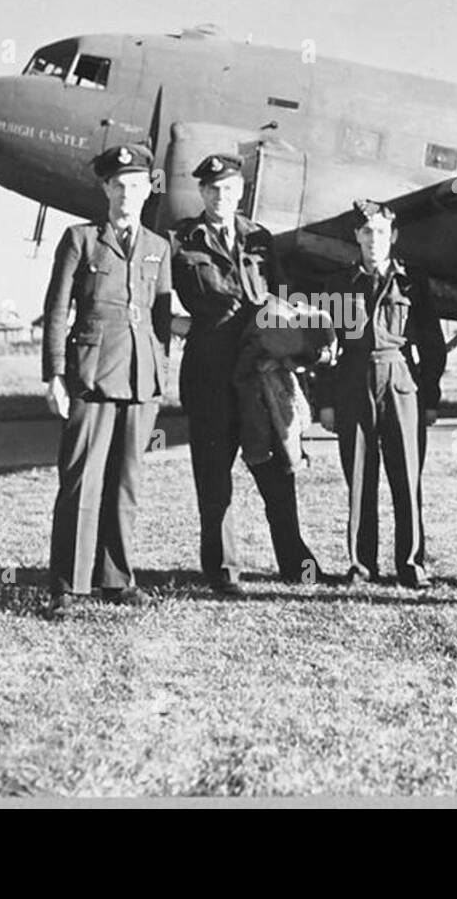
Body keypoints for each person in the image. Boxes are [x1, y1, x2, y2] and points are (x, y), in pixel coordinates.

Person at [171, 153, 322, 594]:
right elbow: (164, 306)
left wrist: (299, 344)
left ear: (241, 191)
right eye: (214, 189)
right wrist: (191, 329)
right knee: (214, 478)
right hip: (209, 375)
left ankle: (299, 567)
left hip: (258, 374)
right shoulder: (181, 240)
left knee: (277, 473)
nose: (222, 196)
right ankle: (223, 573)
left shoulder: (259, 239)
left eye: (231, 188)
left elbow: (280, 300)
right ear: (202, 193)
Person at [41, 143, 172, 616]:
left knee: (127, 484)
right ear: (105, 188)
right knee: (81, 481)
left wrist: (160, 372)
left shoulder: (159, 247)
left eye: (136, 186)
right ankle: (69, 586)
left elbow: (160, 317)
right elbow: (57, 309)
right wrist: (55, 374)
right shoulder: (81, 239)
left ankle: (117, 579)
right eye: (119, 185)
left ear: (146, 190)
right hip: (92, 376)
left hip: (141, 382)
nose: (127, 194)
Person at [317, 200, 446, 589]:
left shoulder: (412, 282)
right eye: (367, 232)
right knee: (359, 476)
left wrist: (430, 397)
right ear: (356, 236)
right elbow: (328, 346)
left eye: (381, 232)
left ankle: (411, 564)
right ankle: (361, 565)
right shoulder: (338, 284)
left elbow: (433, 344)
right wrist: (325, 400)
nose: (374, 240)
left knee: (406, 476)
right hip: (354, 377)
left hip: (400, 378)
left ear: (393, 237)